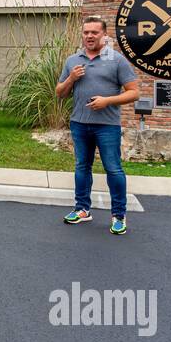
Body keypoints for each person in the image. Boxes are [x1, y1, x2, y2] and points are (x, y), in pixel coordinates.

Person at [55, 15, 139, 235]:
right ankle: (82, 209)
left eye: (94, 32)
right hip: (79, 124)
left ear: (104, 34)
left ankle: (118, 215)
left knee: (113, 169)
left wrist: (107, 101)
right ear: (82, 34)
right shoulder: (73, 60)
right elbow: (60, 94)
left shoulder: (117, 60)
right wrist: (71, 78)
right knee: (82, 166)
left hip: (107, 125)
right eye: (86, 32)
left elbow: (134, 93)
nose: (89, 36)